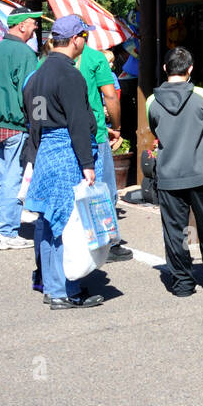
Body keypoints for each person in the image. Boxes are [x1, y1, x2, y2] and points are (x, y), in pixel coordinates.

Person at [21, 15, 105, 310]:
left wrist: (35, 154)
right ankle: (63, 291)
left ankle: (52, 284)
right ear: (75, 39)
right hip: (66, 151)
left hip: (45, 150)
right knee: (64, 224)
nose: (85, 42)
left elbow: (33, 120)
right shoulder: (70, 75)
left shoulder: (36, 76)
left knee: (47, 220)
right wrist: (87, 163)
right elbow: (79, 123)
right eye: (85, 36)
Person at [148, 46, 203, 296]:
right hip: (201, 171)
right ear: (190, 70)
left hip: (170, 175)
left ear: (165, 69)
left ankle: (183, 282)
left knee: (176, 230)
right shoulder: (202, 95)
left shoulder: (152, 100)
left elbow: (155, 130)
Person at [0, 9, 41, 250]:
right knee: (13, 180)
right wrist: (39, 123)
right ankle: (6, 232)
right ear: (22, 26)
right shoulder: (24, 53)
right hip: (15, 125)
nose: (35, 28)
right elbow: (32, 92)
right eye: (33, 24)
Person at [78, 38, 132, 262]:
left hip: (65, 133)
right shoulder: (94, 57)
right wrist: (117, 127)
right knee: (104, 188)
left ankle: (80, 238)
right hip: (96, 130)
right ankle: (107, 243)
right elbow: (110, 95)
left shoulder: (49, 60)